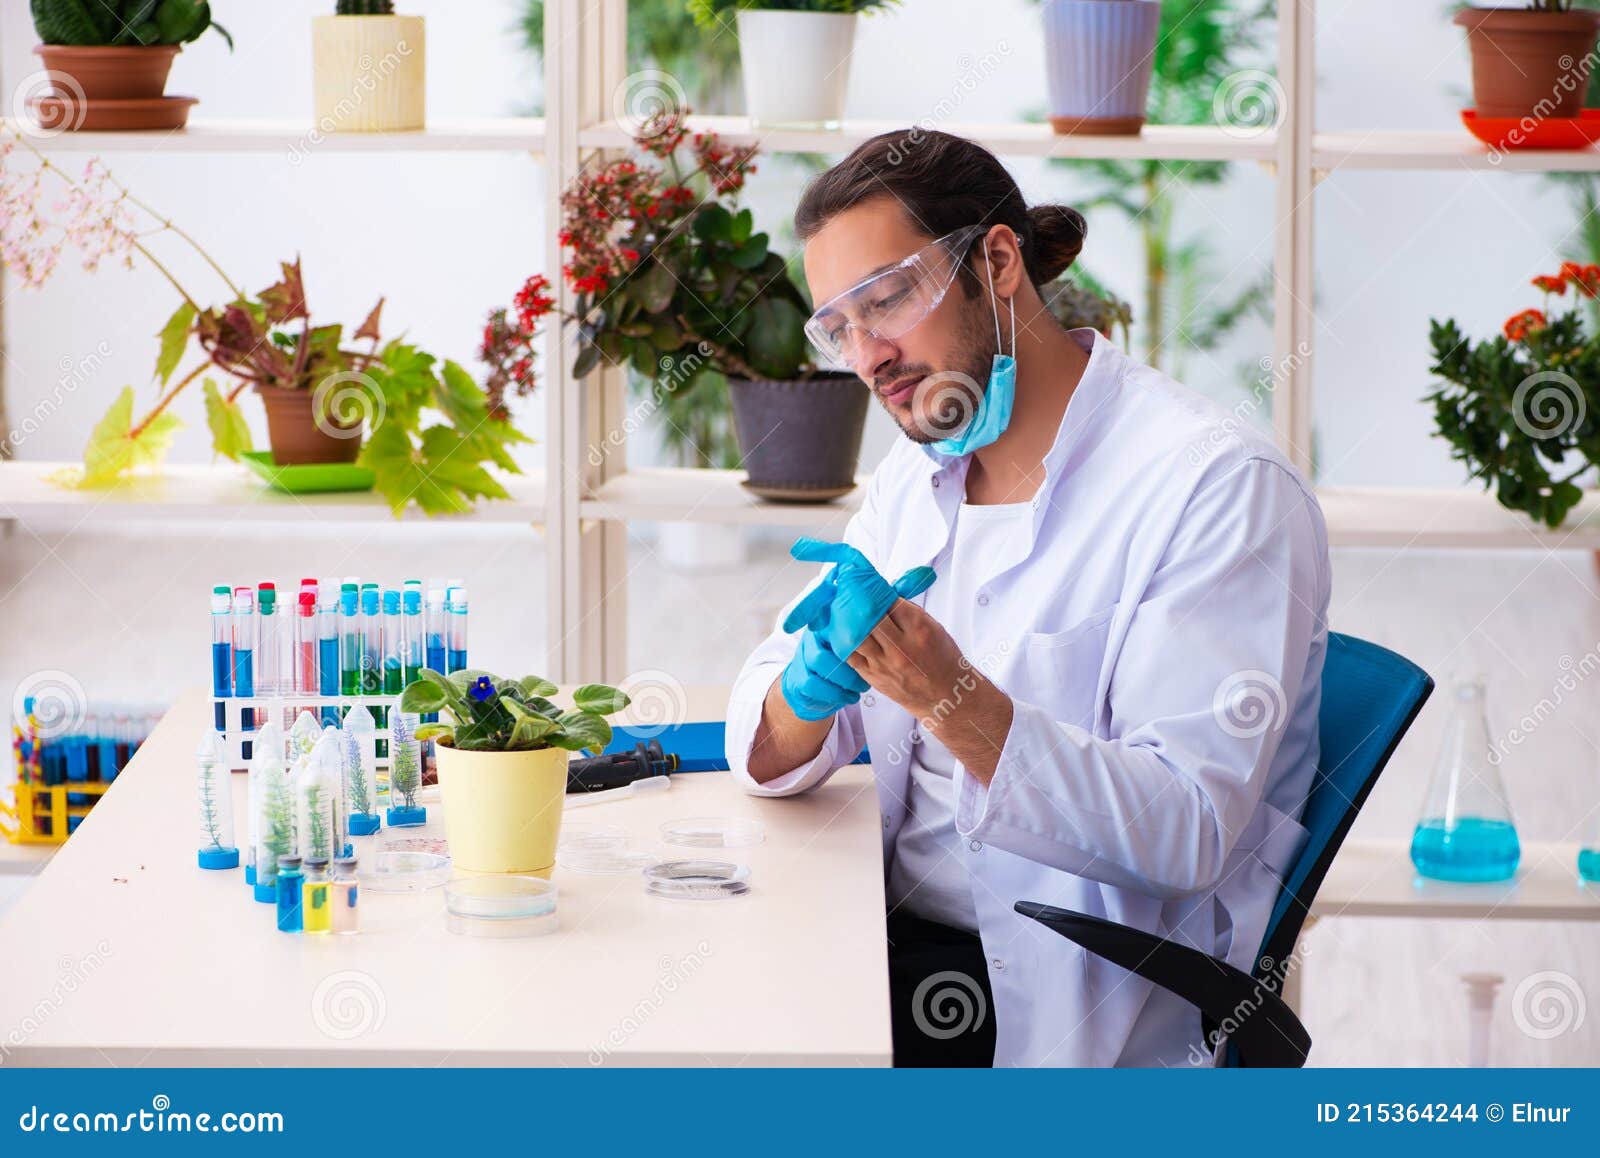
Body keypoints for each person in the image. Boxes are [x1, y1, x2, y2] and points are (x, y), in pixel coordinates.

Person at [724, 129, 1330, 1067]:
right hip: (876, 941)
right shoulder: (920, 470)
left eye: (886, 299)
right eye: (839, 327)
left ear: (998, 262)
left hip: (1064, 1001)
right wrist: (806, 689)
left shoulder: (1214, 486)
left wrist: (950, 698)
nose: (869, 355)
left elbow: (1187, 831)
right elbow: (774, 729)